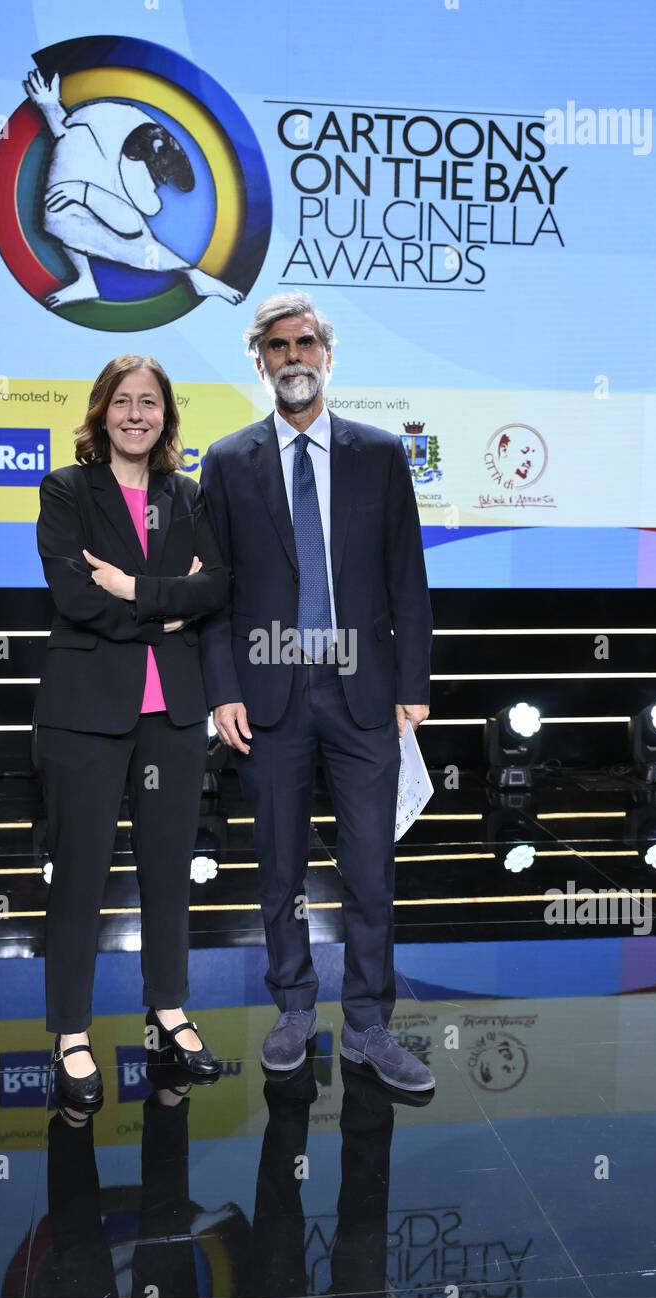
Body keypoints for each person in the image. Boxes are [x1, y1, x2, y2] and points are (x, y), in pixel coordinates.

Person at [199, 293, 435, 1092]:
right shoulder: (227, 462)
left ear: (327, 356)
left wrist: (413, 684)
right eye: (276, 345)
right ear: (258, 360)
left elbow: (408, 575)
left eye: (305, 343)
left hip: (363, 688)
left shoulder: (377, 453)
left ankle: (368, 1024)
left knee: (371, 869)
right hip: (270, 692)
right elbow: (215, 593)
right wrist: (222, 689)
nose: (293, 356)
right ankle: (294, 1007)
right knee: (279, 867)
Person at [34, 353, 230, 1104]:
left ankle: (169, 1010)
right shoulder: (67, 489)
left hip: (174, 712)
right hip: (86, 711)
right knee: (80, 873)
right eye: (123, 402)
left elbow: (216, 584)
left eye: (150, 403)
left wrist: (136, 588)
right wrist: (163, 604)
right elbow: (74, 594)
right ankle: (72, 1032)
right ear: (101, 411)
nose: (136, 415)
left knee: (168, 872)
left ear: (166, 415)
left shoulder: (188, 495)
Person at [23, 69, 243, 309]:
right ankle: (87, 280)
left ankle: (196, 276)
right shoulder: (96, 133)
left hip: (123, 172)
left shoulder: (144, 158)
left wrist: (85, 192)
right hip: (110, 159)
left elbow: (130, 226)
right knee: (63, 213)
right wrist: (49, 105)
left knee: (127, 232)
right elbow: (69, 139)